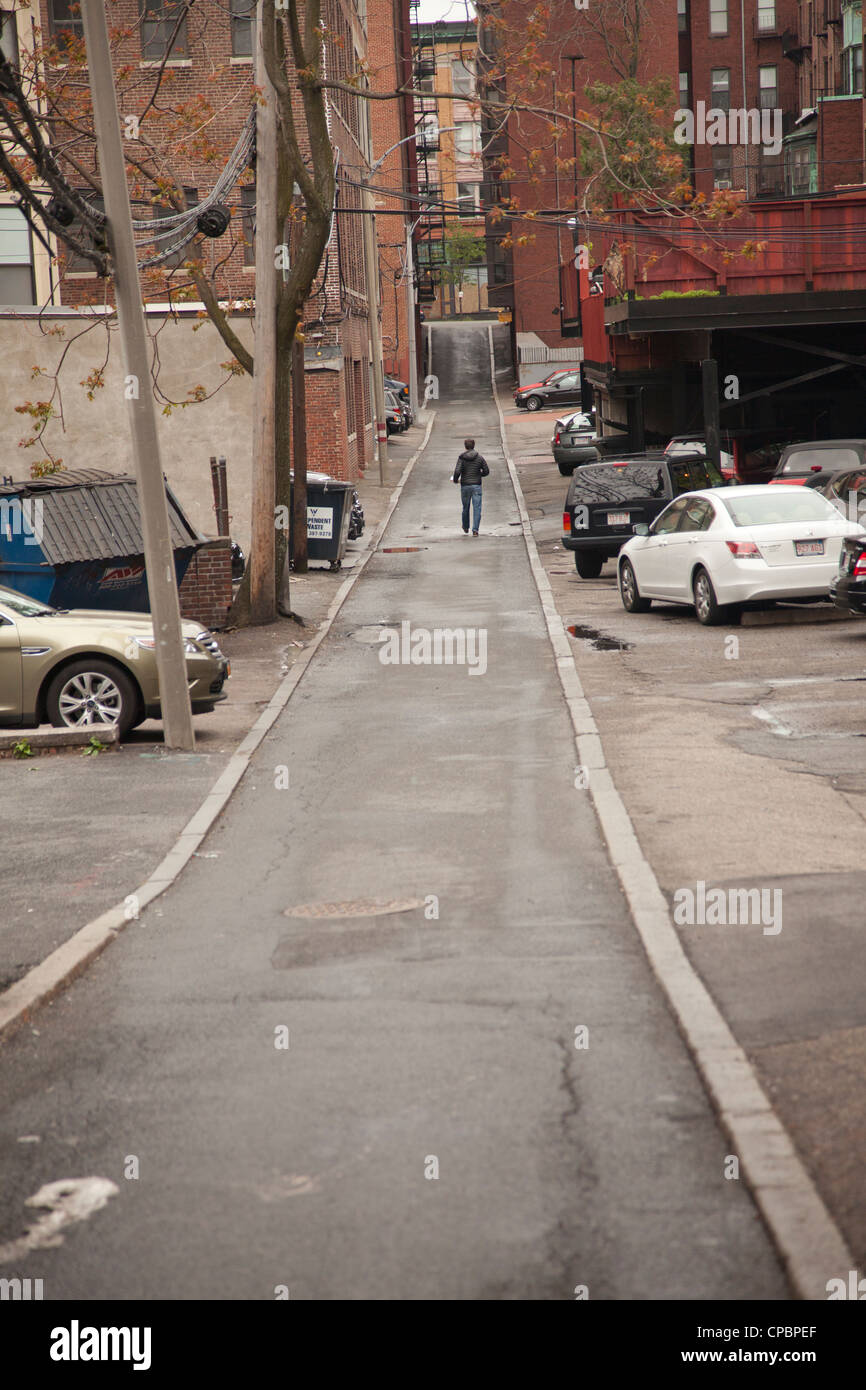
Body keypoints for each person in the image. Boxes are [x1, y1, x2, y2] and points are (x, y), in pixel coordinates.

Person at [452, 438, 489, 535]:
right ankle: (475, 529)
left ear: (465, 446)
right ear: (474, 445)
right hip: (476, 485)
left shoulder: (462, 458)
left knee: (465, 507)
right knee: (477, 508)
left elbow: (457, 471)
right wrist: (479, 475)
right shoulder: (480, 458)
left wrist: (455, 480)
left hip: (465, 486)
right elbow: (486, 471)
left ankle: (465, 526)